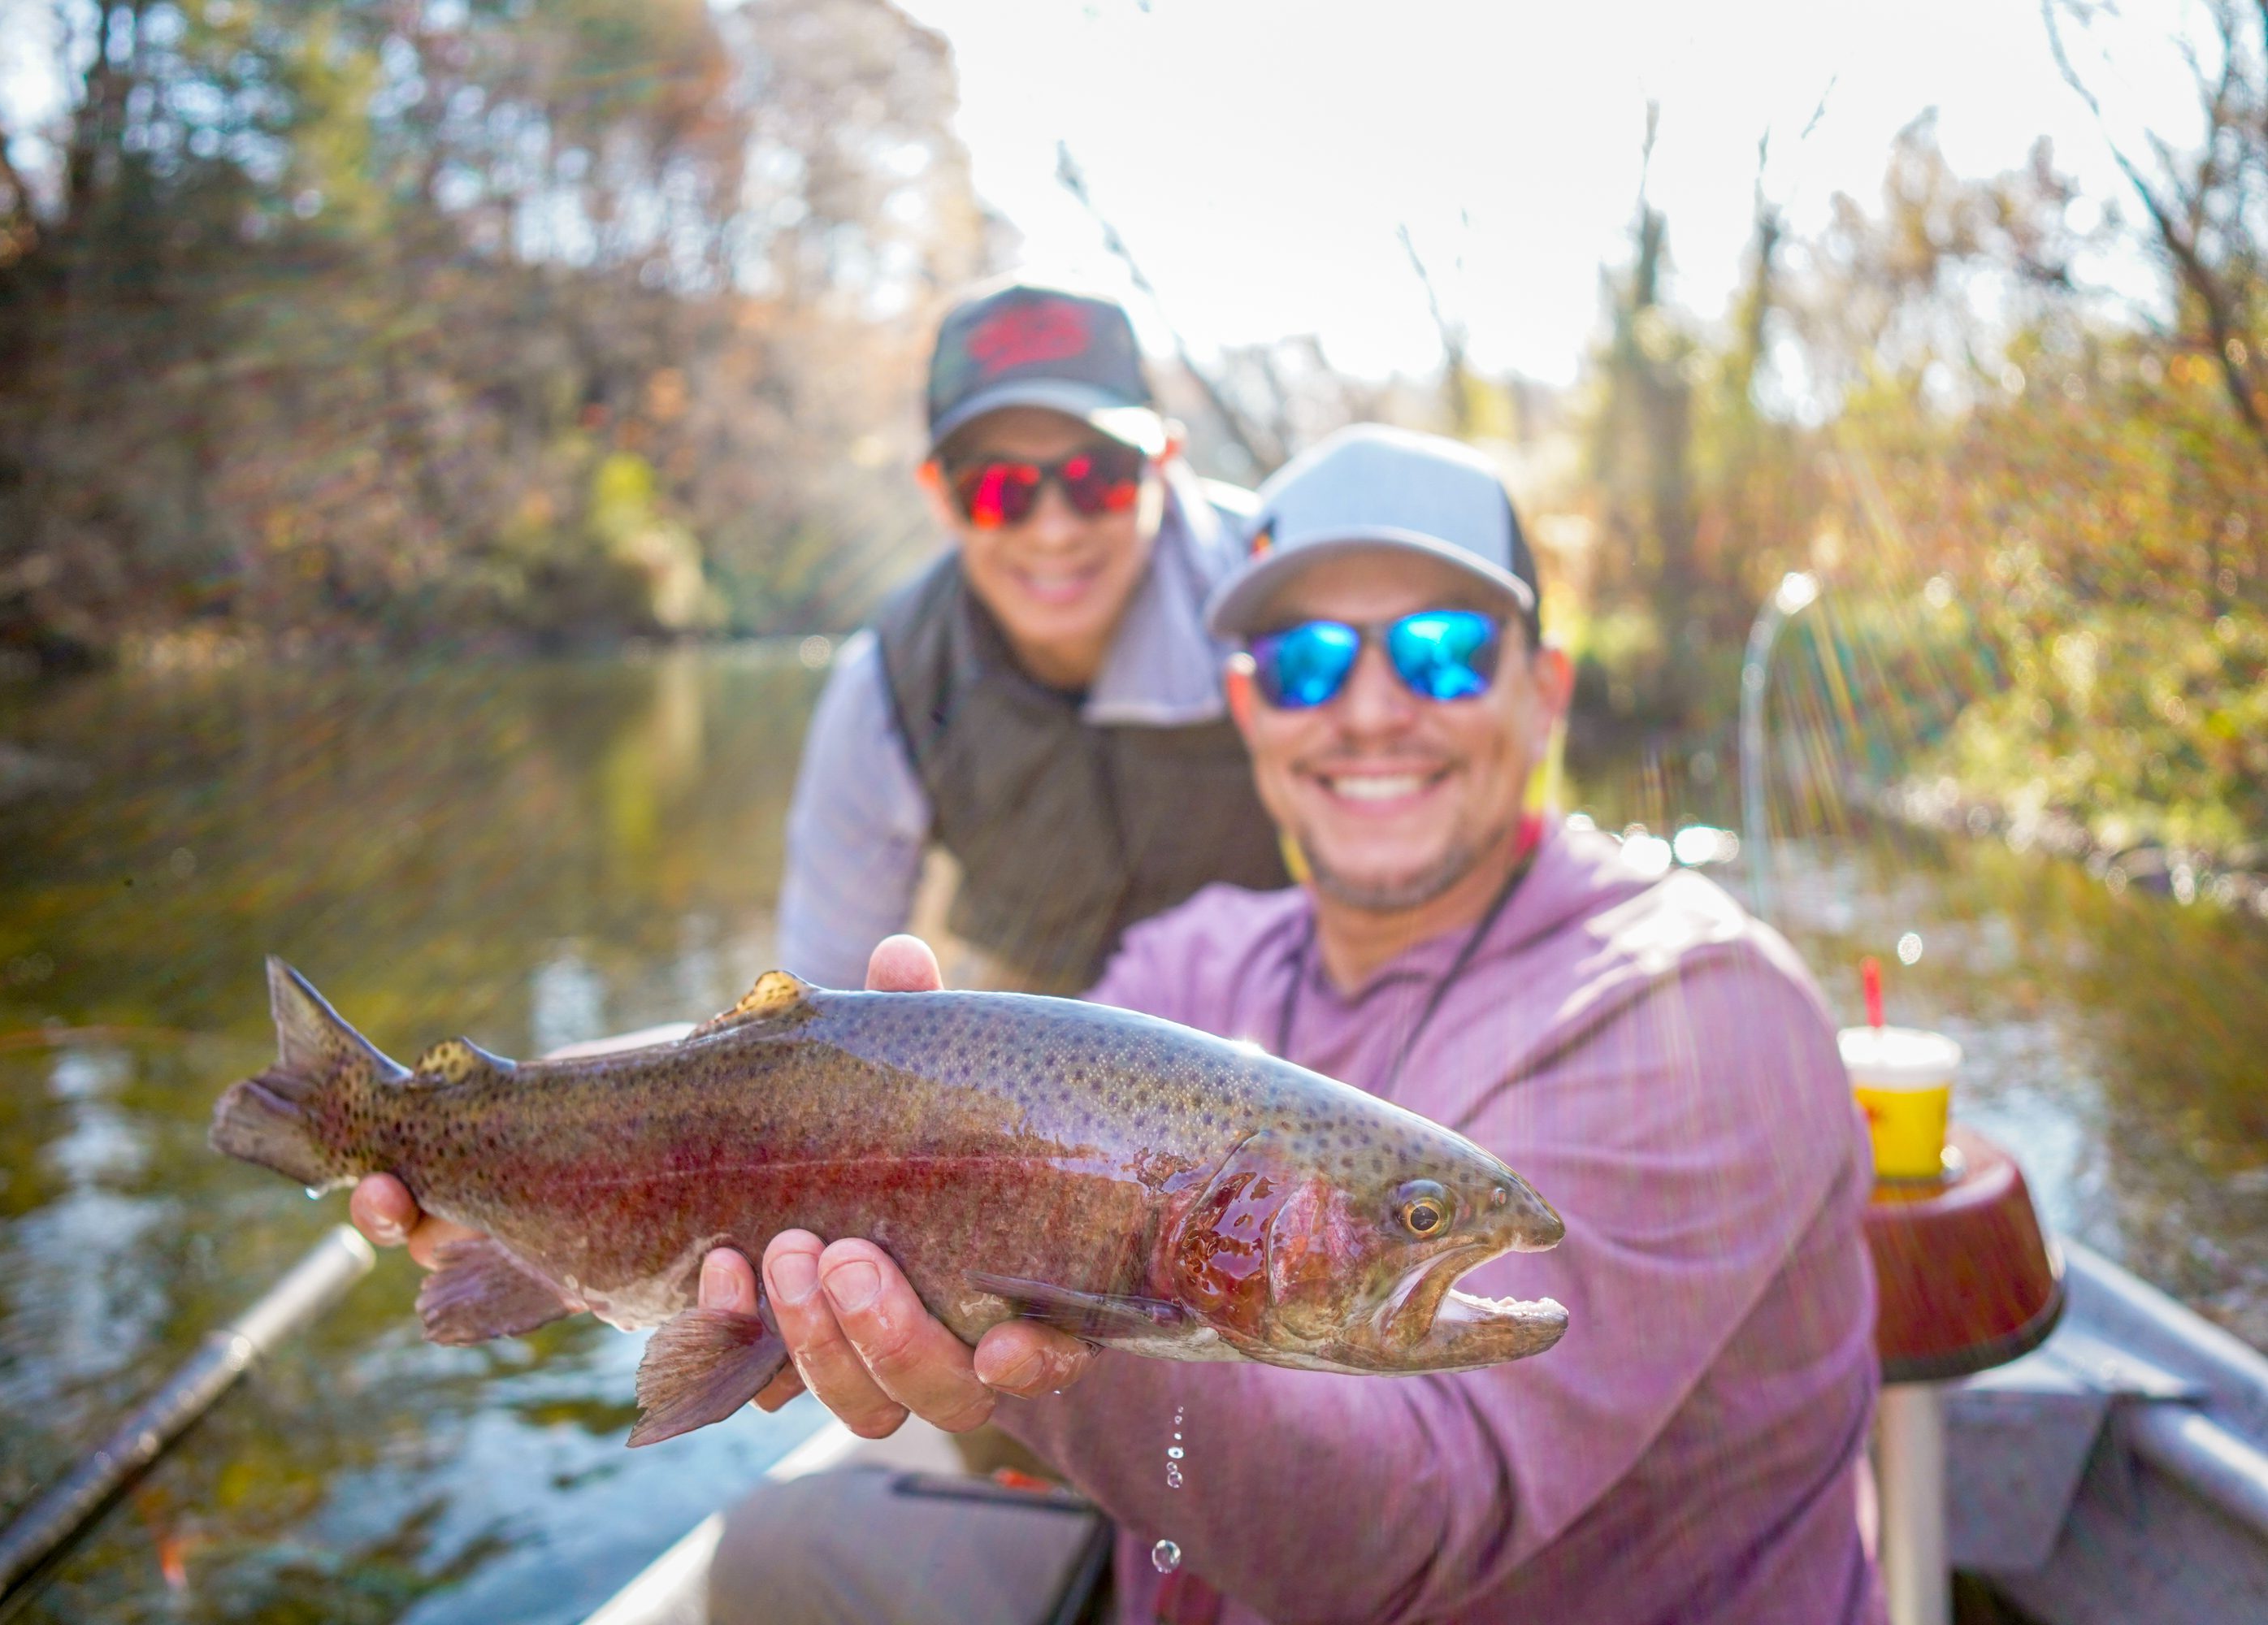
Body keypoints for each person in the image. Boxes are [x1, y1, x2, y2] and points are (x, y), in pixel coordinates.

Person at [357, 424, 1883, 1623]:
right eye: (1305, 661)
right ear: (1249, 705)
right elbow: (839, 1156)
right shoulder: (1189, 960)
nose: (1368, 709)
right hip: (1171, 1584)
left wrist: (1065, 1324)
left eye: (1441, 652)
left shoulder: (1703, 1015)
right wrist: (537, 1150)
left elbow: (1414, 1536)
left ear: (1544, 689)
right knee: (776, 1552)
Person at [775, 274, 1290, 994]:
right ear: (939, 496)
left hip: (1273, 1015)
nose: (1054, 532)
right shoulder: (890, 683)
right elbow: (814, 996)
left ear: (1163, 466)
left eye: (1098, 478)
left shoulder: (1278, 597)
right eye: (998, 491)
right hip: (1035, 1024)